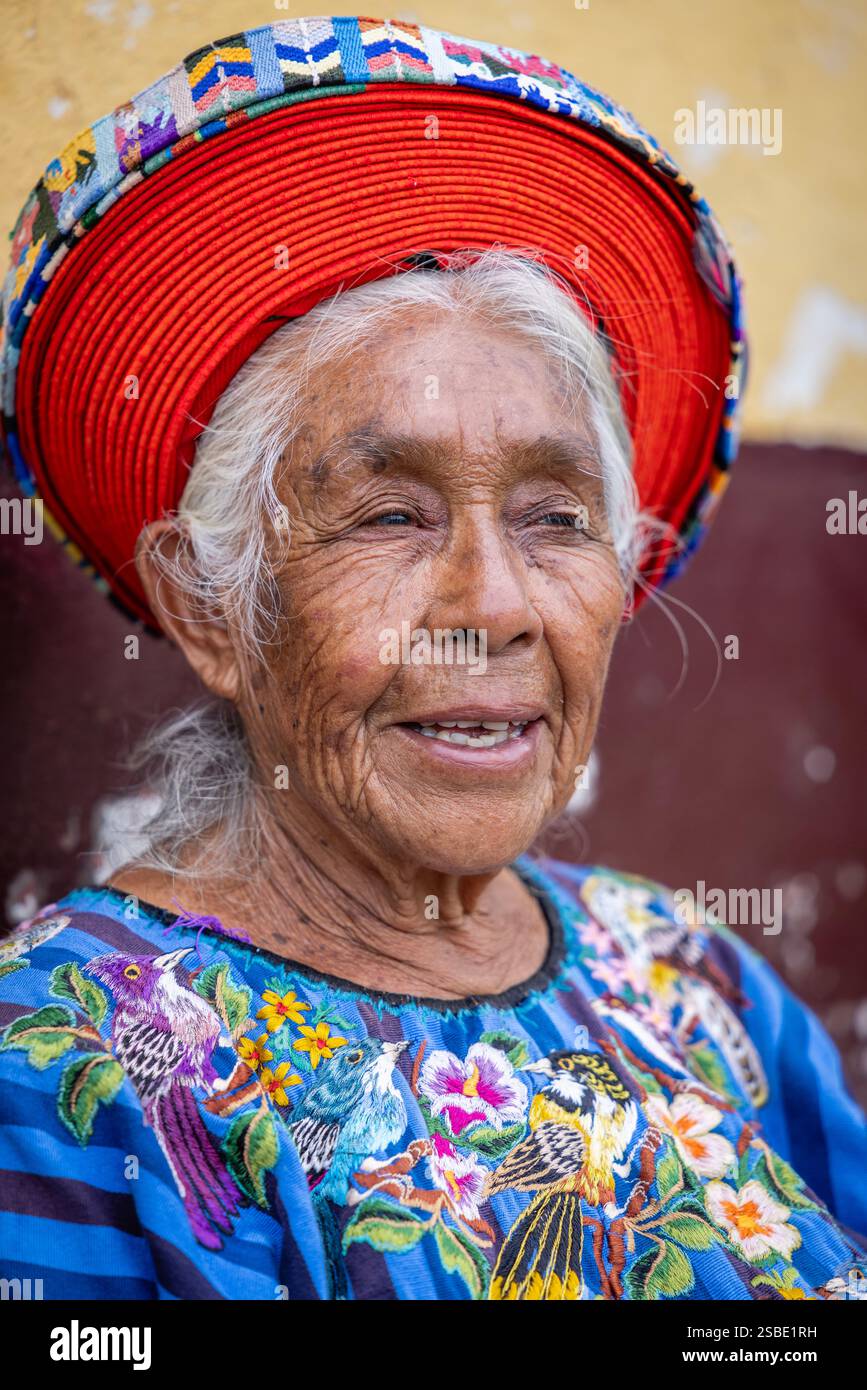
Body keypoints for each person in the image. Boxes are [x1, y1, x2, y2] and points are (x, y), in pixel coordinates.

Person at [0, 16, 864, 1301]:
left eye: (555, 517)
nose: (496, 604)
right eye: (392, 514)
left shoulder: (696, 978)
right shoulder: (74, 1070)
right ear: (206, 602)